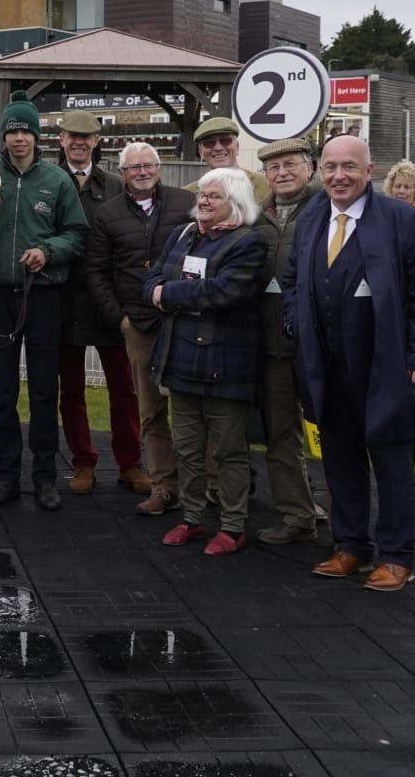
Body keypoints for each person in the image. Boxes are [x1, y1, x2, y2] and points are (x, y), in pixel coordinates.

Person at [283, 134, 415, 593]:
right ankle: (350, 546)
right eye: (331, 167)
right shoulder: (313, 215)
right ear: (321, 172)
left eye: (349, 168)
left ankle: (397, 557)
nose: (339, 176)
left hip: (389, 367)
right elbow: (293, 279)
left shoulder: (403, 220)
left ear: (369, 172)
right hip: (326, 367)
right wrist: (294, 326)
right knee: (339, 460)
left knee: (394, 465)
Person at [0, 90, 89, 510]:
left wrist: (47, 251)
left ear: (36, 136)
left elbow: (77, 234)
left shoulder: (57, 180)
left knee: (44, 390)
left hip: (44, 295)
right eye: (11, 131)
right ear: (2, 136)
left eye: (24, 131)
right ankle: (6, 477)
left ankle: (45, 477)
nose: (18, 139)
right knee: (3, 391)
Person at [147, 167, 268, 557]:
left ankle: (233, 526)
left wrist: (169, 294)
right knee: (187, 448)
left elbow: (225, 292)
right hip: (180, 359)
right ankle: (192, 517)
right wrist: (165, 291)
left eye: (213, 196)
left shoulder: (249, 242)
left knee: (229, 450)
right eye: (202, 194)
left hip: (224, 364)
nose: (203, 200)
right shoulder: (184, 234)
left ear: (235, 201)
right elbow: (151, 281)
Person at [86, 142, 196, 517]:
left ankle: (206, 487)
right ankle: (165, 486)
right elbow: (96, 270)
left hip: (185, 320)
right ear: (123, 174)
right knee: (150, 409)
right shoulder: (108, 213)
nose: (143, 172)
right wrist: (120, 317)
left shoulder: (186, 203)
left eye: (149, 165)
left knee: (195, 409)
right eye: (134, 168)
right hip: (139, 323)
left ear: (160, 168)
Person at [53, 112, 148, 496]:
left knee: (123, 388)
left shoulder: (115, 185)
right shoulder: (49, 181)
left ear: (96, 141)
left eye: (86, 136)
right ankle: (83, 462)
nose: (79, 142)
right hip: (63, 300)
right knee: (71, 389)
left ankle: (130, 463)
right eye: (73, 136)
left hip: (109, 300)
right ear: (61, 140)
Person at [253, 138, 326, 545]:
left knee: (334, 435)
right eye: (273, 166)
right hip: (273, 347)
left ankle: (352, 522)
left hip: (319, 347)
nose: (281, 173)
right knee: (280, 435)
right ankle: (297, 513)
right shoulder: (256, 217)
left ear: (310, 167)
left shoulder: (328, 209)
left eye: (290, 164)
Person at [182, 116, 271, 203]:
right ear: (200, 152)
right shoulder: (187, 195)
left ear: (237, 147)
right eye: (209, 143)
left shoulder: (267, 184)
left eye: (225, 141)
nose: (218, 148)